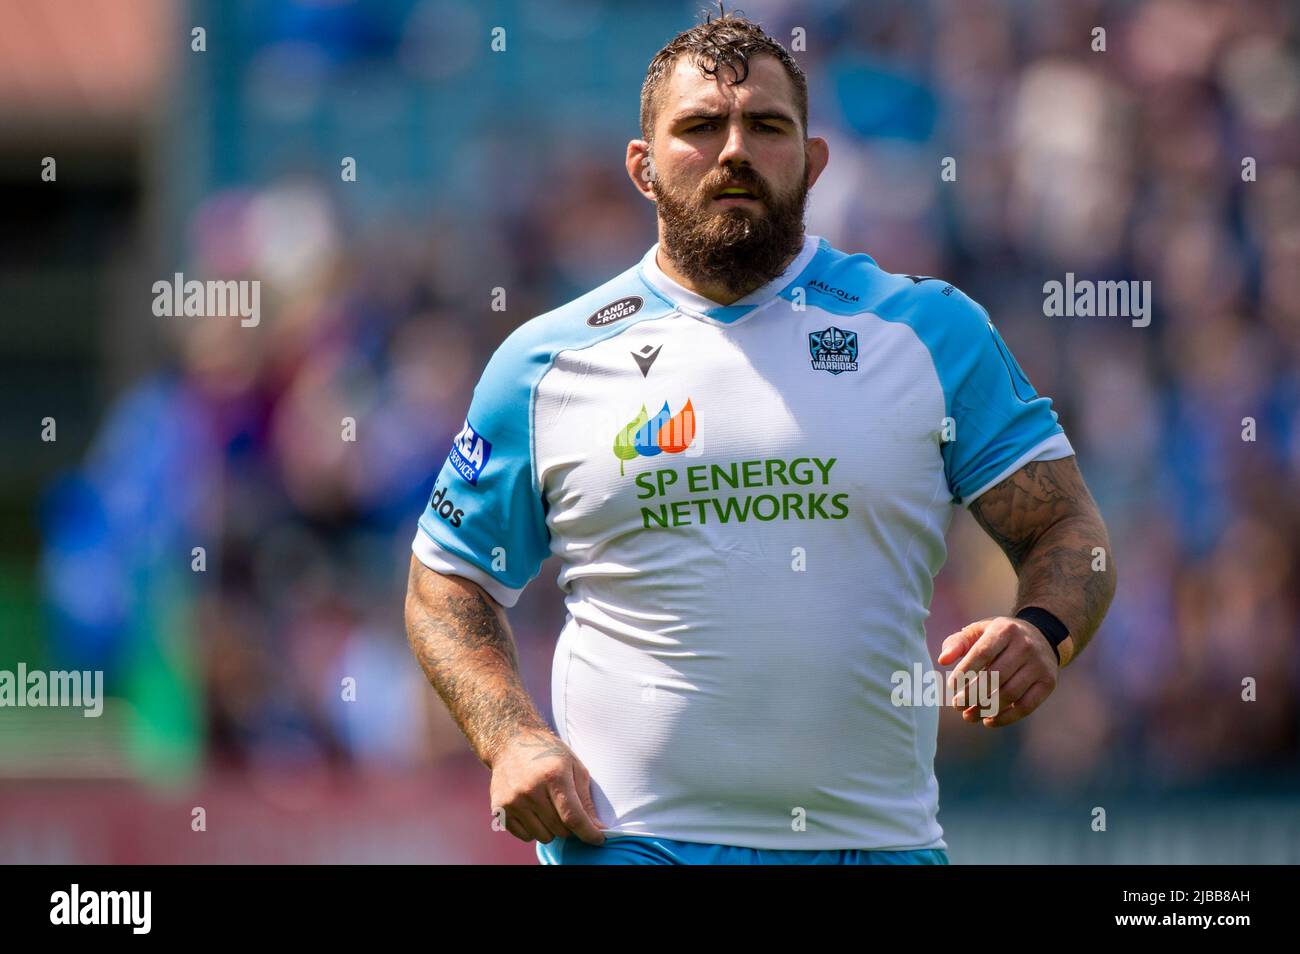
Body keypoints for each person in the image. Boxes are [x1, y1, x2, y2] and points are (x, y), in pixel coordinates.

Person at [403, 9, 1115, 865]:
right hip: (631, 846)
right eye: (700, 126)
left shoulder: (928, 331)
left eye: (766, 126)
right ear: (643, 166)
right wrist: (511, 737)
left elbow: (1070, 529)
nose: (734, 150)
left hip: (875, 846)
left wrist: (1041, 627)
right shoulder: (547, 362)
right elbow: (446, 578)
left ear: (813, 161)